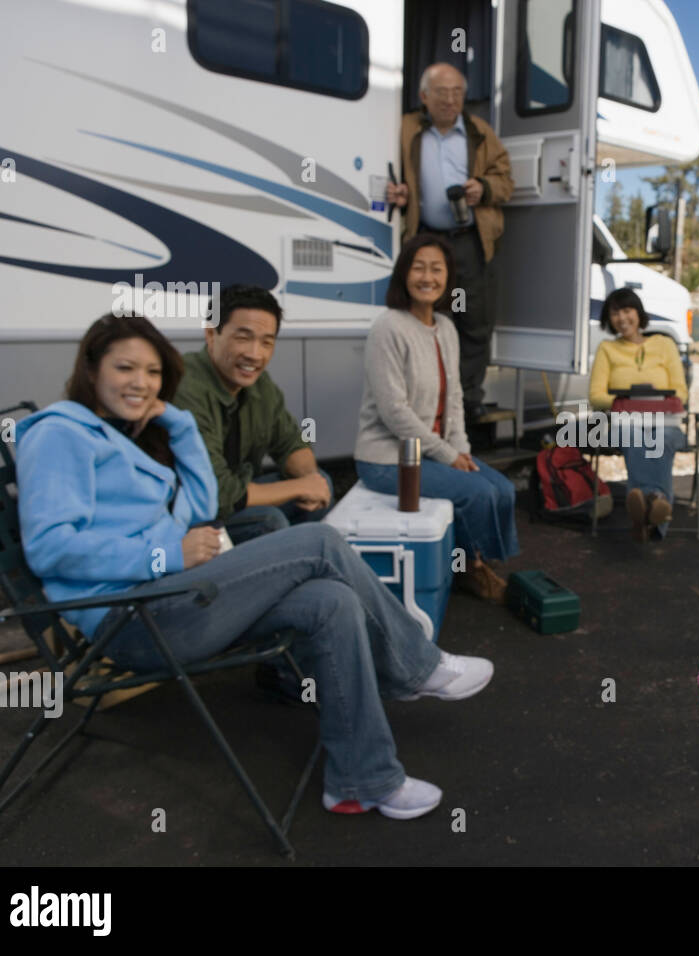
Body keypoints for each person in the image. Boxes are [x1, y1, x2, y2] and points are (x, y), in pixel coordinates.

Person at [16, 314, 494, 821]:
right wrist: (165, 555)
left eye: (153, 373)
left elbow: (202, 510)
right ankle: (417, 665)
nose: (141, 382)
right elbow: (50, 547)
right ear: (91, 370)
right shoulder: (60, 436)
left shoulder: (124, 433)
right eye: (125, 368)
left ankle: (361, 780)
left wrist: (177, 424)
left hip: (172, 596)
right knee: (320, 541)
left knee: (331, 602)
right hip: (133, 619)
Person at [355, 233, 519, 601]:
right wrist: (448, 456)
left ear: (448, 278)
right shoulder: (388, 327)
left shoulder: (446, 327)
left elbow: (456, 396)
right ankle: (472, 568)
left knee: (504, 490)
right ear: (403, 275)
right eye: (419, 268)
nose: (427, 277)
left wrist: (460, 448)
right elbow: (394, 411)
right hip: (388, 458)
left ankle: (468, 562)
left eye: (437, 269)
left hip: (434, 450)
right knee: (478, 494)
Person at [386, 63, 514, 424]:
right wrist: (397, 190)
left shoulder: (478, 132)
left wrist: (483, 189)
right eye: (441, 92)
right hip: (426, 238)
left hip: (469, 242)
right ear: (424, 96)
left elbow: (506, 181)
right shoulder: (406, 128)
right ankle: (428, 399)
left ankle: (468, 399)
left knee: (474, 322)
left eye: (457, 92)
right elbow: (386, 168)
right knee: (427, 319)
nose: (450, 100)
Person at [172, 285, 332, 544]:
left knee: (321, 483)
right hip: (192, 513)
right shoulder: (186, 387)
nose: (255, 354)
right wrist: (300, 487)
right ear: (211, 334)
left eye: (266, 342)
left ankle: (291, 558)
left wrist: (308, 480)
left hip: (235, 498)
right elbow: (217, 492)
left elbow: (291, 443)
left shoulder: (260, 385)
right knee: (268, 522)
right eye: (243, 338)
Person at [588, 288, 689, 542]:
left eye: (626, 310)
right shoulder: (607, 349)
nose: (622, 318)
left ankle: (643, 507)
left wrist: (655, 400)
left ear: (638, 313)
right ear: (608, 319)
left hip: (665, 420)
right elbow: (595, 396)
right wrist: (625, 401)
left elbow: (681, 392)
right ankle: (656, 502)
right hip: (626, 420)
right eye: (615, 313)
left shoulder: (665, 344)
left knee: (663, 437)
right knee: (632, 435)